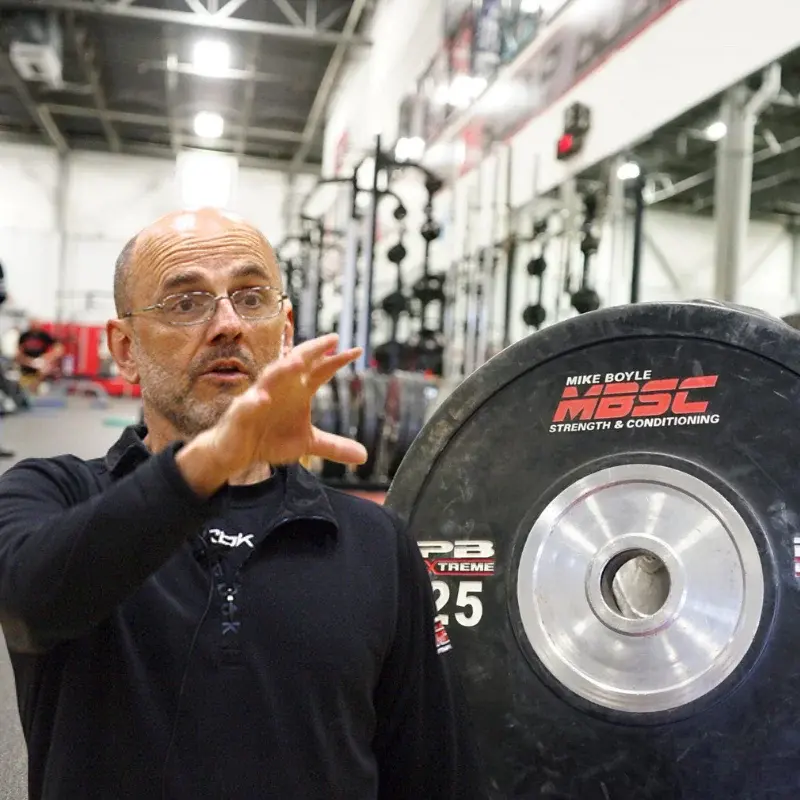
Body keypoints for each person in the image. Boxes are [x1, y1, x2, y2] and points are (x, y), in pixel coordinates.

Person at [0, 208, 488, 800]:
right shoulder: (50, 495)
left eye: (251, 297)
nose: (228, 323)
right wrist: (216, 459)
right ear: (124, 349)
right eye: (186, 303)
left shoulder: (376, 543)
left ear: (284, 332)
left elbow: (429, 774)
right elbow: (28, 602)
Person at [14, 323, 64, 393]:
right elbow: (18, 353)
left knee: (45, 368)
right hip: (27, 364)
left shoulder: (44, 336)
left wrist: (48, 357)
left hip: (41, 363)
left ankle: (35, 386)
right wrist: (29, 361)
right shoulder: (24, 336)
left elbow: (59, 349)